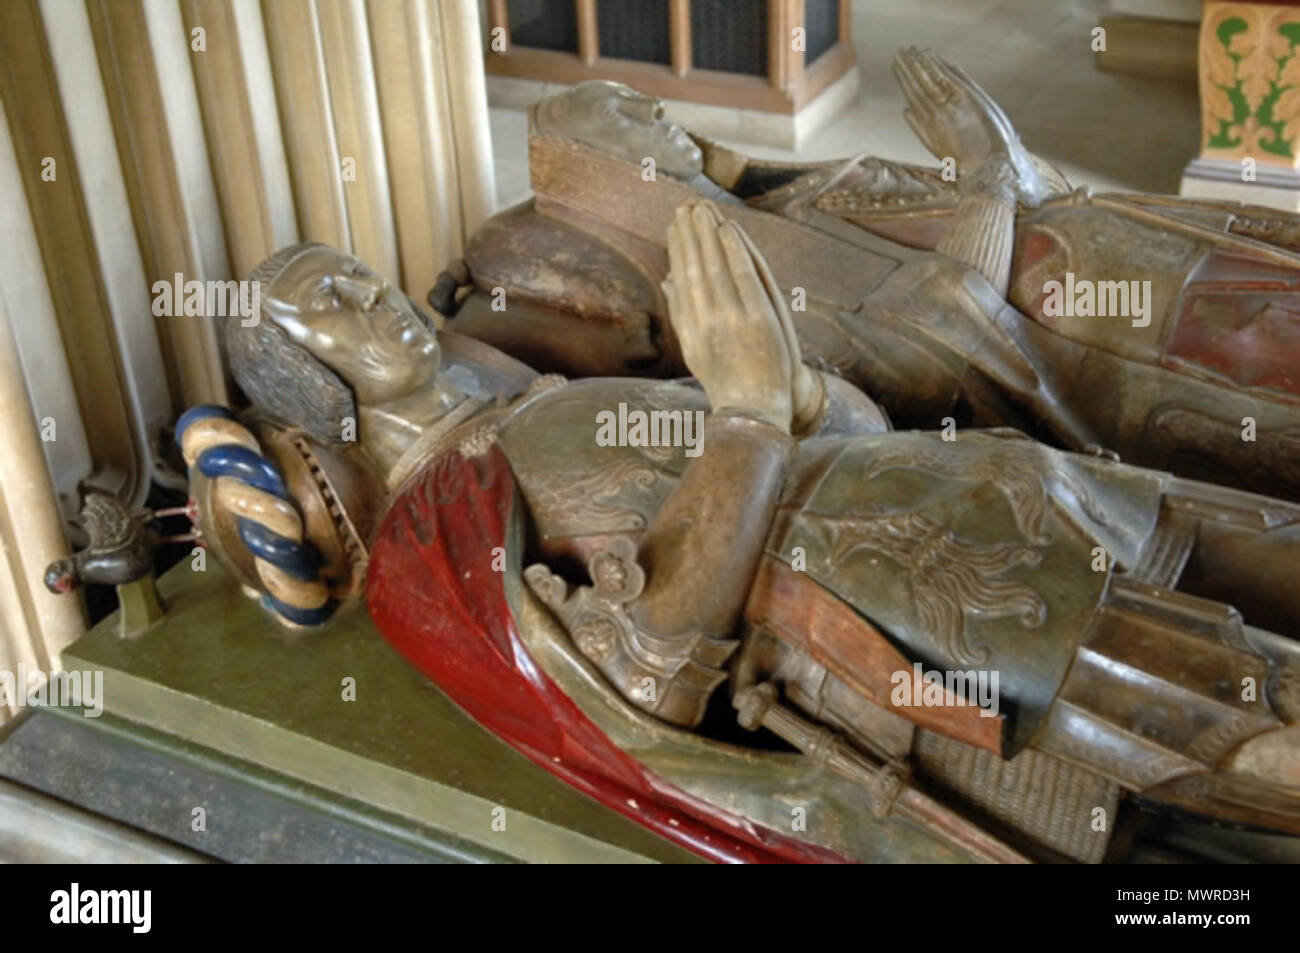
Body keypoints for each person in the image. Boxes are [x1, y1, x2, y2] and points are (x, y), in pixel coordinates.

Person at [183, 204, 1300, 864]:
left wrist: (791, 392)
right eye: (328, 299)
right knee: (1254, 721)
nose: (370, 294)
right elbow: (645, 686)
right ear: (303, 376)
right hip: (943, 621)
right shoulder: (430, 554)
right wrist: (752, 419)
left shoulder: (522, 399)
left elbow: (842, 429)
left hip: (1001, 494)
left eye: (356, 272)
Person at [436, 48, 1300, 503]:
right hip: (1138, 338)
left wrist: (1010, 174)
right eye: (627, 118)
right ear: (615, 174)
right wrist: (990, 171)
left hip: (1131, 256)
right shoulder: (739, 274)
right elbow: (946, 347)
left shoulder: (765, 200)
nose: (653, 110)